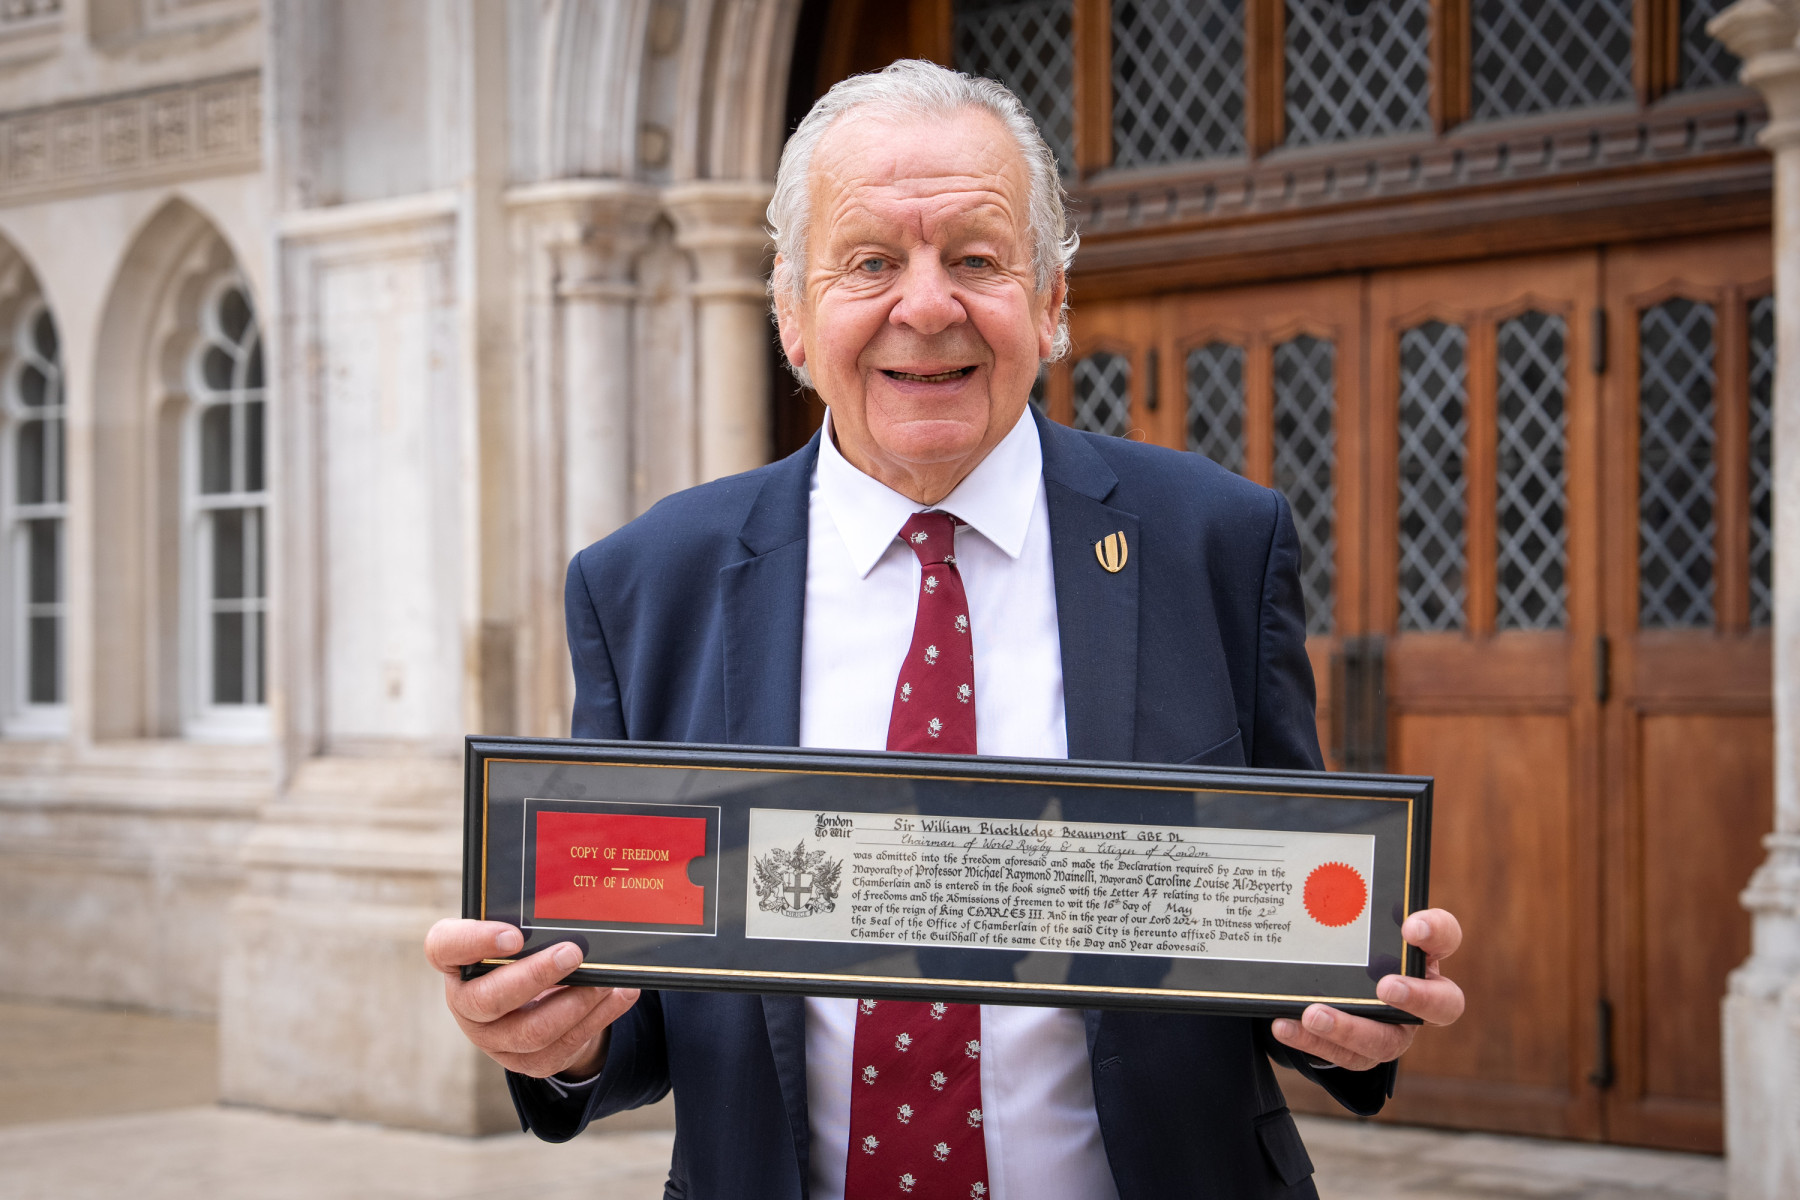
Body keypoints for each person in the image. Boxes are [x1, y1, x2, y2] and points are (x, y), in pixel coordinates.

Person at [426, 59, 1465, 1200]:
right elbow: (633, 1001)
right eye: (871, 262)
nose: (926, 307)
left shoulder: (1216, 541)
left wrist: (1344, 1017)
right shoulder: (646, 585)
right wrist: (558, 1038)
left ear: (1052, 302)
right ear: (790, 313)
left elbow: (1287, 937)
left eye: (976, 259)